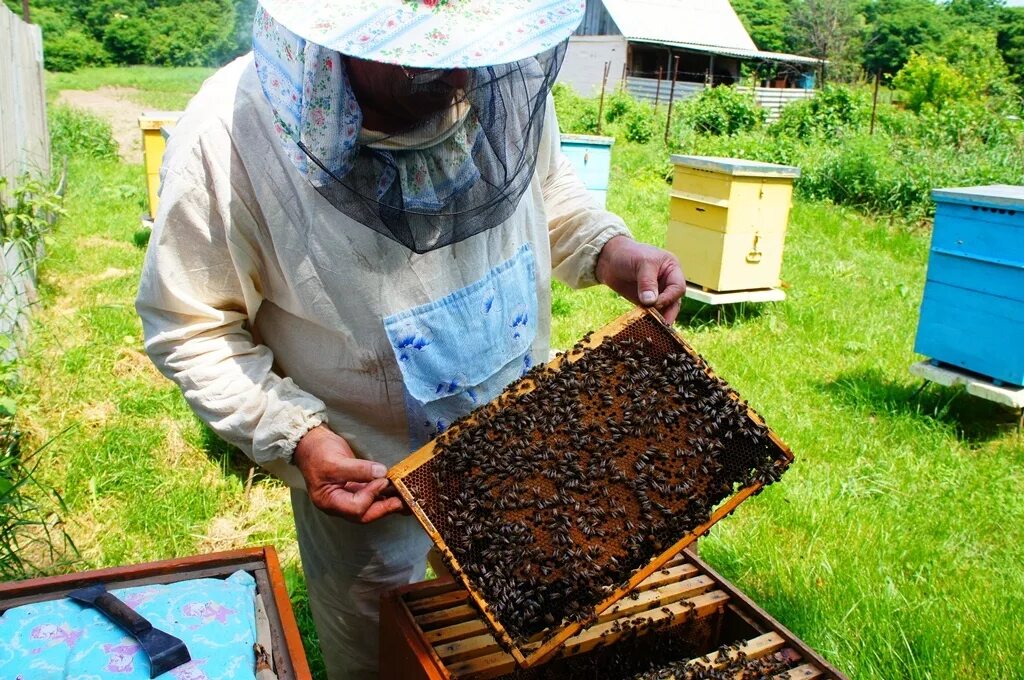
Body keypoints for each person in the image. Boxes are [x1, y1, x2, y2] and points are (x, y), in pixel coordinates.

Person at [136, 1, 686, 677]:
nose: (459, 77)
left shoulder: (493, 72)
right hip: (370, 482)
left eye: (474, 52)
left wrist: (608, 249)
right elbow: (193, 326)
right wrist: (298, 437)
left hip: (523, 448)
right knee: (383, 654)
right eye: (423, 63)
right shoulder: (227, 135)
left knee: (529, 630)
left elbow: (546, 188)